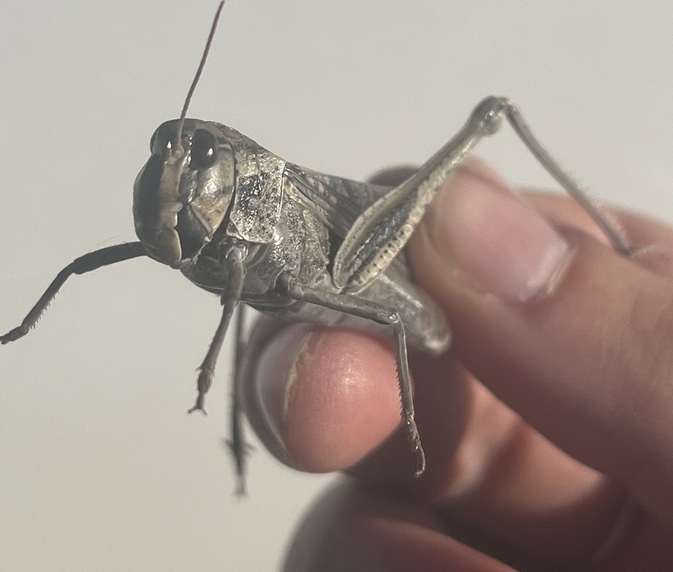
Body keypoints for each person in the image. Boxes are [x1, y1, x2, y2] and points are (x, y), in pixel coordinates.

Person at [242, 160, 673, 571]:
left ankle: (624, 247)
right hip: (372, 300)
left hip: (374, 279)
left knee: (492, 111)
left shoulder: (269, 189)